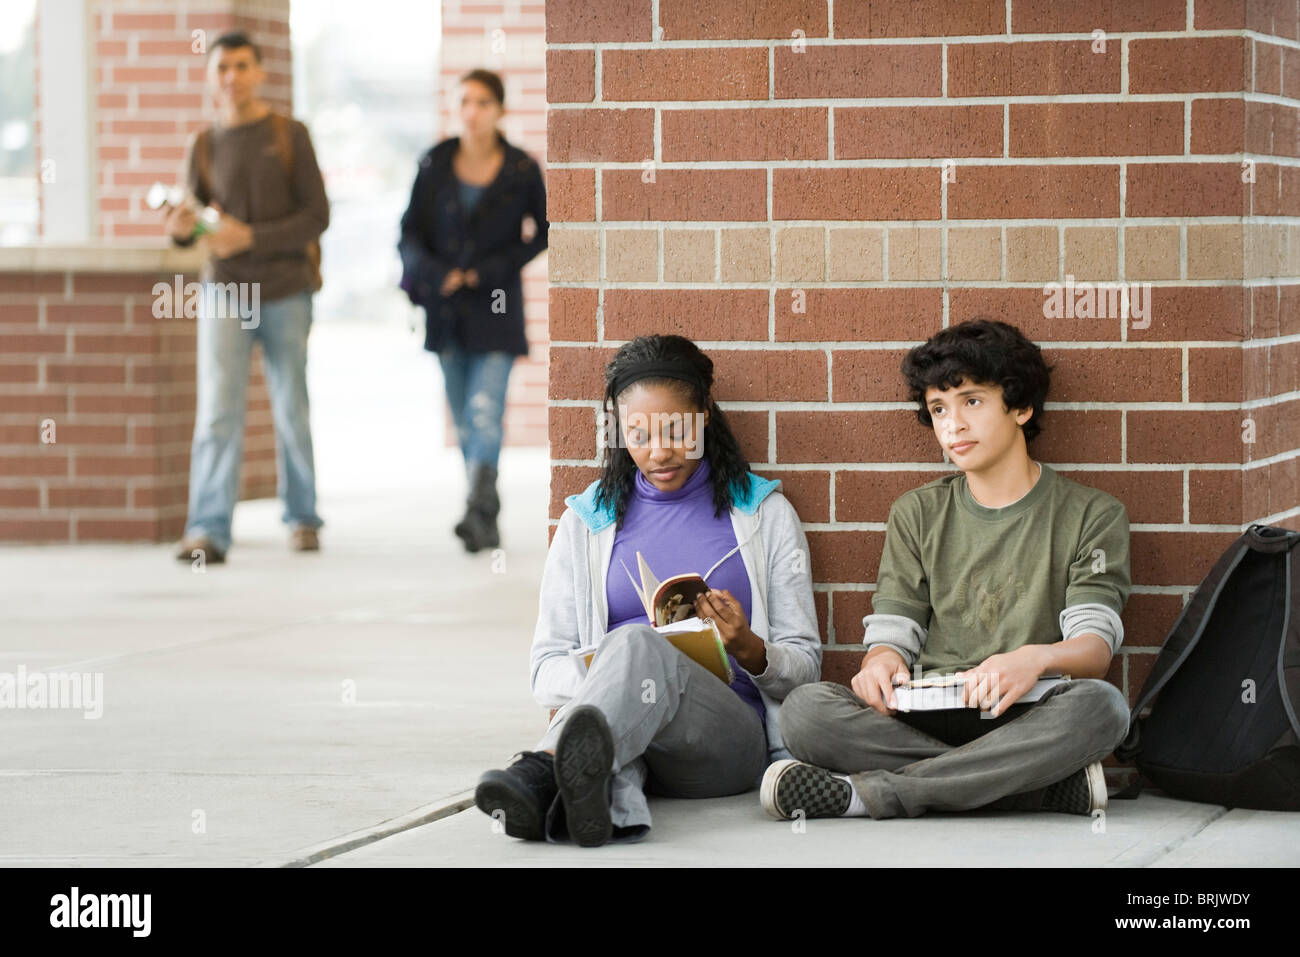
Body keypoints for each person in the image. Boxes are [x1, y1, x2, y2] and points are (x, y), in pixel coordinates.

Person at [762, 318, 1133, 822]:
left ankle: (867, 795)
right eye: (939, 409)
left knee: (1103, 708)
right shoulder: (916, 513)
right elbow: (894, 629)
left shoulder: (1093, 514)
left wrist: (1030, 660)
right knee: (806, 712)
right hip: (927, 715)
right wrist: (880, 663)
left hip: (1029, 713)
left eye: (972, 402)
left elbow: (1094, 649)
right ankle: (1031, 790)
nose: (952, 425)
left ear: (1021, 407)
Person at [474, 335, 821, 846]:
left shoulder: (763, 516)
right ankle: (593, 802)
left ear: (705, 413)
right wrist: (618, 667)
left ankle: (540, 772)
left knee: (638, 644)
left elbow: (806, 665)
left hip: (722, 742)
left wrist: (746, 646)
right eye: (638, 434)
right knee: (635, 648)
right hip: (630, 739)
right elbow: (545, 672)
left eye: (677, 431)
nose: (658, 452)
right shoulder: (587, 523)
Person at [165, 31, 329, 565]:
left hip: (285, 290)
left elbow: (317, 216)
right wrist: (182, 228)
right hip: (224, 291)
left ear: (259, 73)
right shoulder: (204, 145)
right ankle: (207, 530)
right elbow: (190, 228)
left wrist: (253, 236)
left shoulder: (289, 135)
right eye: (222, 69)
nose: (231, 77)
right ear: (211, 77)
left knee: (291, 405)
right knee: (216, 410)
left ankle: (303, 518)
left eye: (241, 66)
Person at [398, 69, 548, 553]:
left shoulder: (522, 168)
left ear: (500, 111)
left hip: (497, 305)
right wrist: (436, 273)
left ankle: (477, 510)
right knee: (464, 416)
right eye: (465, 100)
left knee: (485, 410)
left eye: (484, 102)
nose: (473, 110)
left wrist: (486, 271)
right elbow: (408, 233)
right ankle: (482, 510)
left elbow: (543, 232)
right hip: (446, 309)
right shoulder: (435, 162)